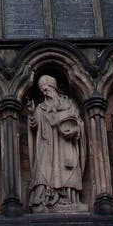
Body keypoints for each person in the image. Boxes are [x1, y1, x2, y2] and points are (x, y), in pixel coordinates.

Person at [26, 75, 86, 211]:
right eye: (42, 91)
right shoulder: (41, 108)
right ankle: (44, 199)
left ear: (54, 88)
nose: (44, 93)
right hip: (46, 144)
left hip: (65, 143)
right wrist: (31, 113)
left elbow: (79, 123)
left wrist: (74, 130)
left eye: (46, 90)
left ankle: (68, 199)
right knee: (44, 170)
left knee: (66, 170)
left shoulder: (70, 105)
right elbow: (35, 124)